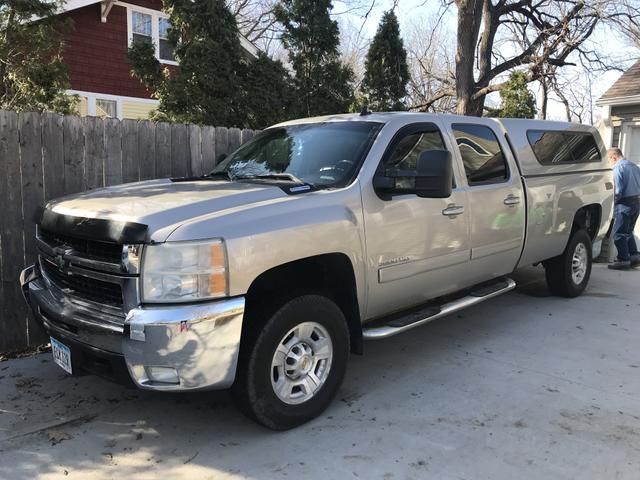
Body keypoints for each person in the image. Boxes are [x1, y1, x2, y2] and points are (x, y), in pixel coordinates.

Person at [607, 148, 640, 270]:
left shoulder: (618, 168)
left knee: (619, 233)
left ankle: (623, 260)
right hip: (637, 202)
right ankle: (634, 257)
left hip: (624, 203)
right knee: (628, 231)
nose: (610, 164)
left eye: (609, 160)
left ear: (613, 157)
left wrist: (611, 205)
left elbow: (618, 191)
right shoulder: (635, 167)